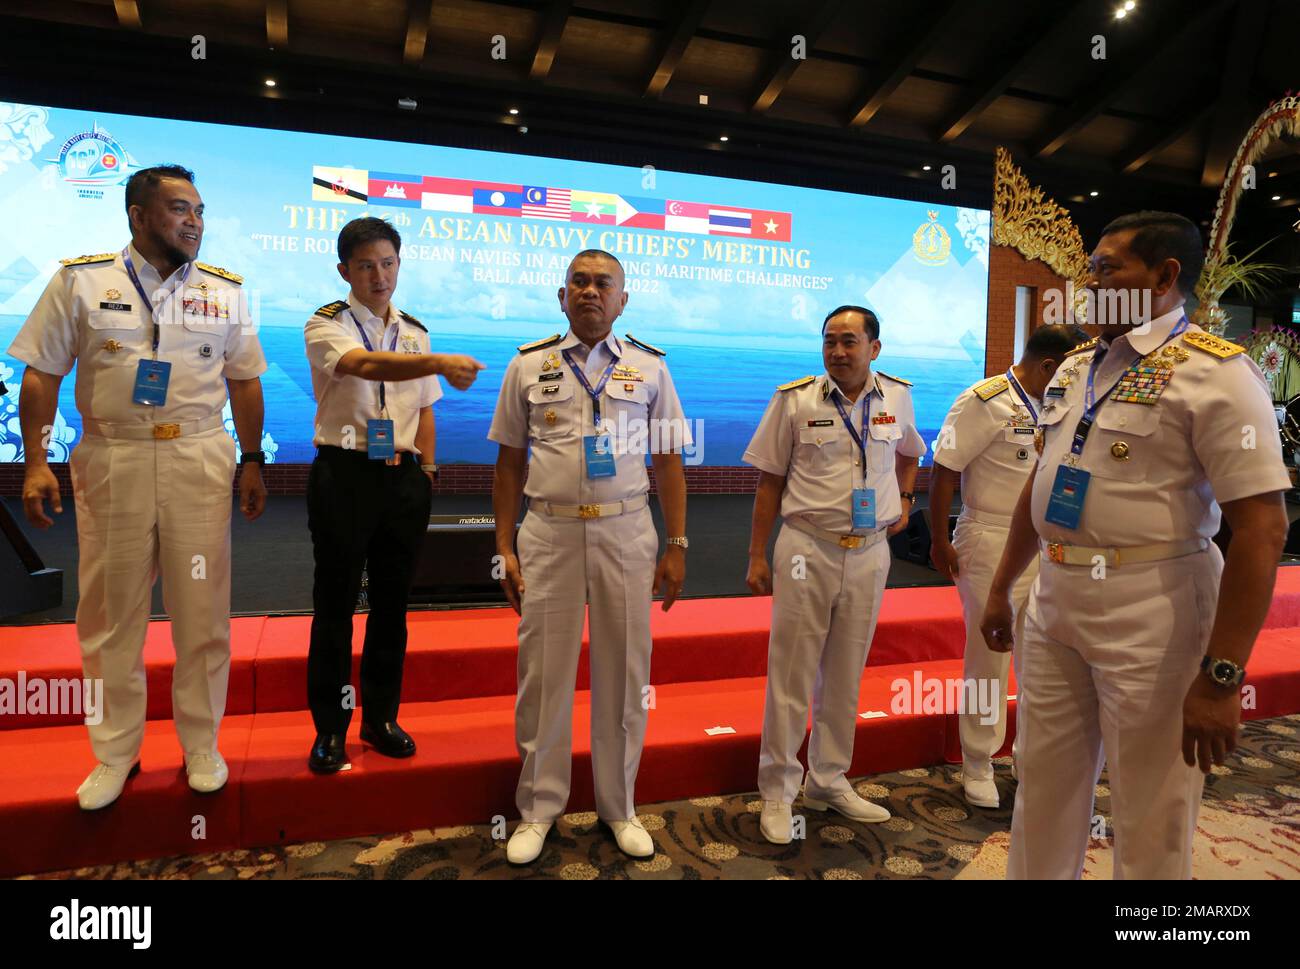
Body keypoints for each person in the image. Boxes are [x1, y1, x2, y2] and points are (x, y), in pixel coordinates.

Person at [980, 211, 1291, 879]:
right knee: (1042, 789)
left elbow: (1263, 529)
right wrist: (1005, 583)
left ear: (1164, 276)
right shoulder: (1075, 368)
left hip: (1155, 609)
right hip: (1056, 601)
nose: (1087, 283)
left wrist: (1223, 675)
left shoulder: (1219, 375)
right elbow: (1043, 484)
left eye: (1105, 269)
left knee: (1151, 810)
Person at [10, 164, 268, 809]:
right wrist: (37, 461)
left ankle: (201, 744)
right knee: (108, 615)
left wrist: (256, 459)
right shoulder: (81, 280)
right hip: (113, 458)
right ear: (138, 214)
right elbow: (41, 373)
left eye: (201, 211)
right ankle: (114, 754)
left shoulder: (226, 292)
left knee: (202, 611)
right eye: (181, 209)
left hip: (199, 457)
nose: (195, 223)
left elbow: (245, 381)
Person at [489, 249, 689, 864]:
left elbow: (670, 461)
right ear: (561, 295)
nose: (591, 291)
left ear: (622, 299)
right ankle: (538, 809)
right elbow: (509, 461)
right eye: (580, 281)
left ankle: (618, 806)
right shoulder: (528, 365)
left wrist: (676, 543)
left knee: (626, 672)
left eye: (604, 283)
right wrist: (503, 545)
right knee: (544, 674)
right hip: (547, 532)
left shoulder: (650, 368)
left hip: (627, 531)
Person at [302, 216, 483, 772]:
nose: (378, 276)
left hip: (401, 479)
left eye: (387, 263)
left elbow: (425, 409)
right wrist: (438, 362)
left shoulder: (414, 330)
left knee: (391, 607)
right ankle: (330, 729)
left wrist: (425, 472)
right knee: (334, 606)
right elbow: (361, 365)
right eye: (364, 266)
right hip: (344, 474)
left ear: (398, 266)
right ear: (344, 271)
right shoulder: (324, 323)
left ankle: (380, 718)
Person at [744, 305, 926, 844]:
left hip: (870, 552)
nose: (838, 352)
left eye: (849, 341)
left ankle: (827, 779)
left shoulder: (898, 395)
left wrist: (907, 500)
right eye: (829, 341)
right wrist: (757, 555)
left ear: (875, 347)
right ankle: (778, 790)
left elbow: (911, 453)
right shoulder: (793, 399)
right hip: (808, 548)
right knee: (793, 675)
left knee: (846, 673)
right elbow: (768, 482)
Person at [928, 324, 1087, 808]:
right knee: (989, 659)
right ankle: (977, 761)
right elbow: (944, 468)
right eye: (1068, 371)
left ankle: (1028, 759)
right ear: (1046, 365)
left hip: (1048, 543)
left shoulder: (1061, 404)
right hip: (991, 536)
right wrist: (937, 538)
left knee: (1040, 657)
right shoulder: (983, 400)